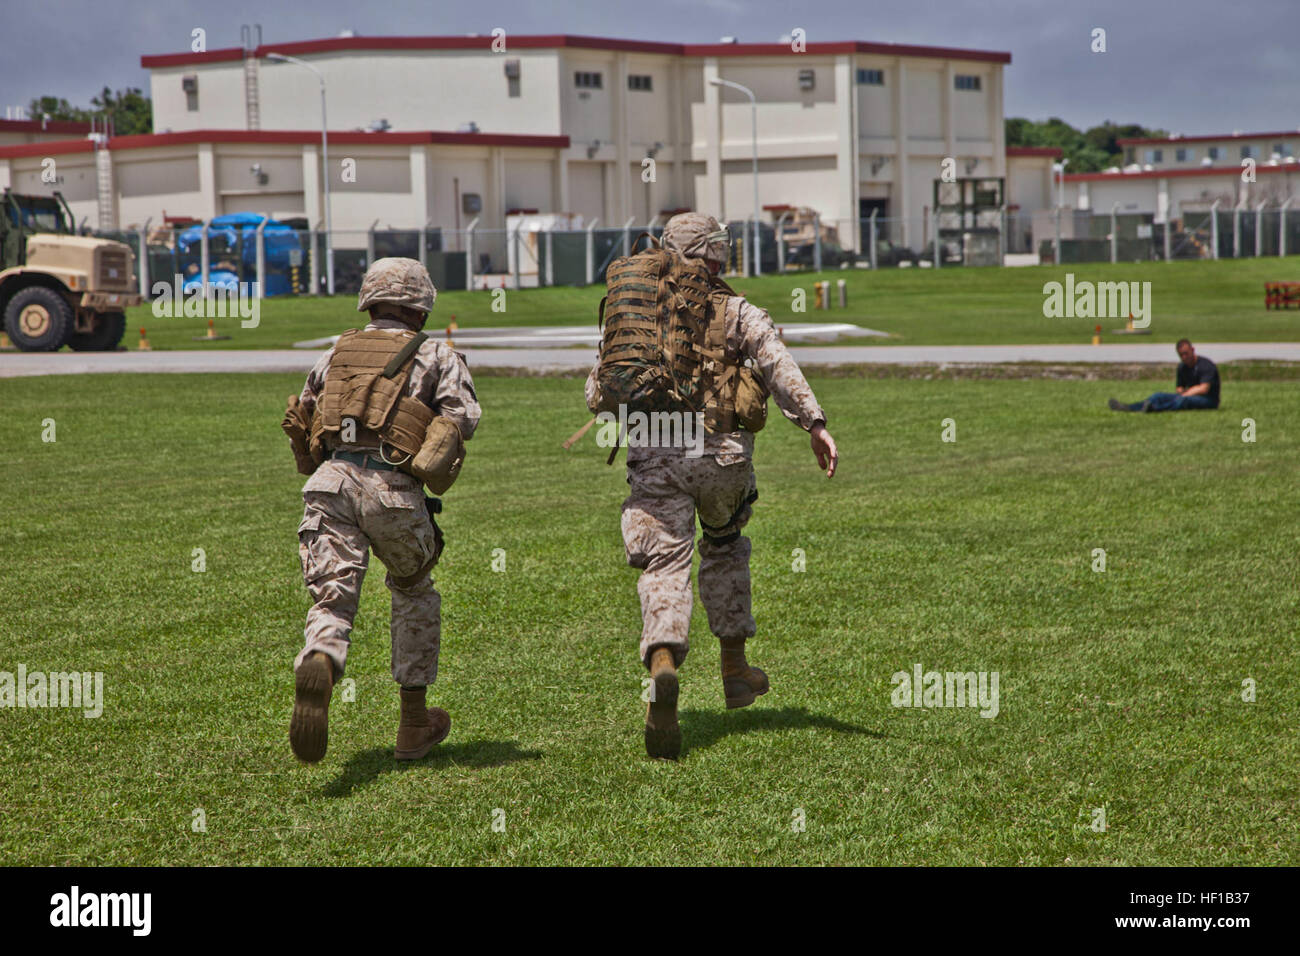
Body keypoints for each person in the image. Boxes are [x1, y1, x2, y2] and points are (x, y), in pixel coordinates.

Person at [586, 212, 838, 760]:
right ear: (715, 255)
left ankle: (663, 660)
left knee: (664, 565)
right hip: (722, 458)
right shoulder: (736, 308)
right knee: (724, 546)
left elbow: (595, 392)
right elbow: (777, 365)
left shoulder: (636, 307)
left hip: (655, 454)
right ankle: (734, 672)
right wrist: (814, 424)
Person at [285, 257, 480, 764]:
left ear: (370, 300)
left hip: (329, 482)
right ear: (420, 306)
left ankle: (323, 658)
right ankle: (414, 724)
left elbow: (306, 414)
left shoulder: (336, 351)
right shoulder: (436, 354)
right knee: (413, 588)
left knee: (332, 598)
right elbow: (463, 419)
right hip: (392, 487)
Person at [1109, 339, 1220, 412]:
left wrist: (1184, 395)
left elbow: (1204, 388)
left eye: (1186, 353)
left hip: (1209, 400)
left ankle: (1154, 409)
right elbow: (1179, 387)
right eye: (1181, 355)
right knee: (1158, 396)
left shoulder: (1206, 365)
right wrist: (1181, 392)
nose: (1184, 357)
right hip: (1188, 395)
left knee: (1182, 401)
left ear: (1192, 350)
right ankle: (1129, 407)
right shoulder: (1182, 367)